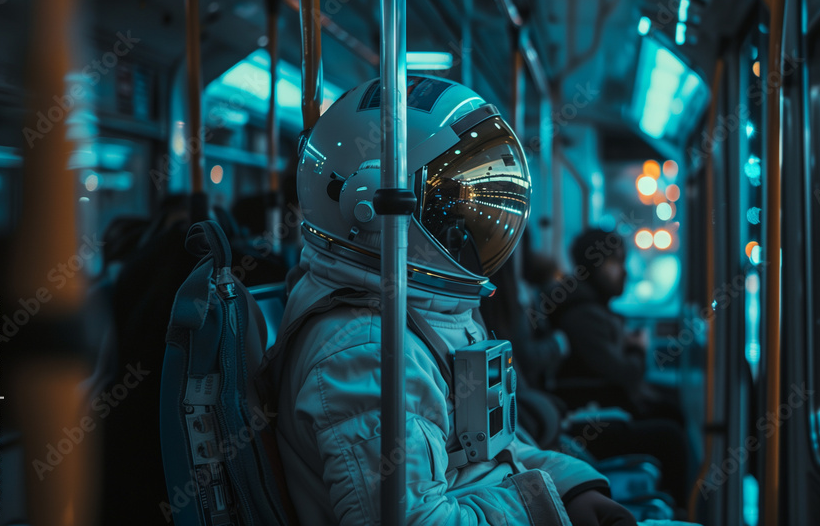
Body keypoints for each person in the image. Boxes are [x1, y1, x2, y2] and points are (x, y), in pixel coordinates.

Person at [264, 76, 641, 525]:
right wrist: (548, 508)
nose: (465, 233)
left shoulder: (424, 313)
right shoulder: (368, 350)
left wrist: (573, 488)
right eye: (448, 209)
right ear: (368, 205)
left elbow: (496, 450)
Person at [549, 228, 691, 504]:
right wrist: (638, 349)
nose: (624, 271)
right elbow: (623, 374)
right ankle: (678, 510)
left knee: (672, 407)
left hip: (604, 403)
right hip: (591, 416)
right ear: (592, 266)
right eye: (615, 262)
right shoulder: (583, 314)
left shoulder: (594, 307)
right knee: (671, 435)